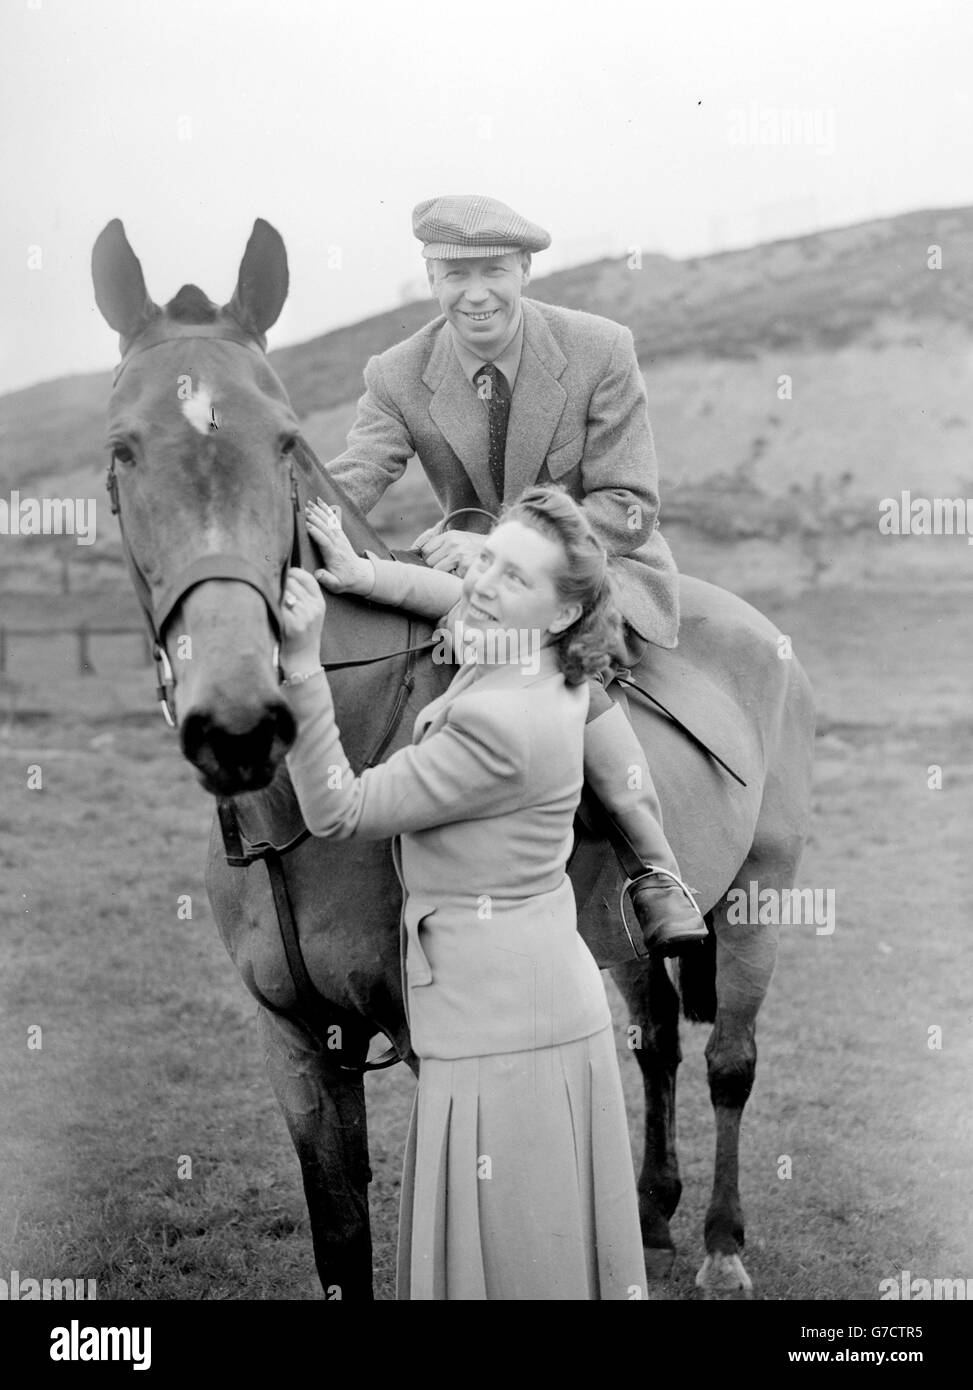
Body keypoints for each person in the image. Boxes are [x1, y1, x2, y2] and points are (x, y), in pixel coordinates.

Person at [279, 485, 648, 1300]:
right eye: (485, 558)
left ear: (558, 614)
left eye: (512, 577)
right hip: (531, 1010)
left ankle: (657, 872)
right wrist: (360, 571)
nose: (483, 583)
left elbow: (340, 809)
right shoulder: (546, 659)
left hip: (498, 1033)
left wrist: (303, 665)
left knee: (510, 1267)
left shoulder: (501, 723)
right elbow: (463, 595)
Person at [326, 192, 704, 954]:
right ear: (428, 276)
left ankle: (653, 871)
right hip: (477, 575)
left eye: (492, 270)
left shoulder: (599, 347)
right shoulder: (396, 374)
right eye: (451, 273)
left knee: (559, 665)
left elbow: (629, 507)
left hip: (593, 570)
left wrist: (507, 542)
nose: (473, 293)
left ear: (524, 268)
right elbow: (351, 482)